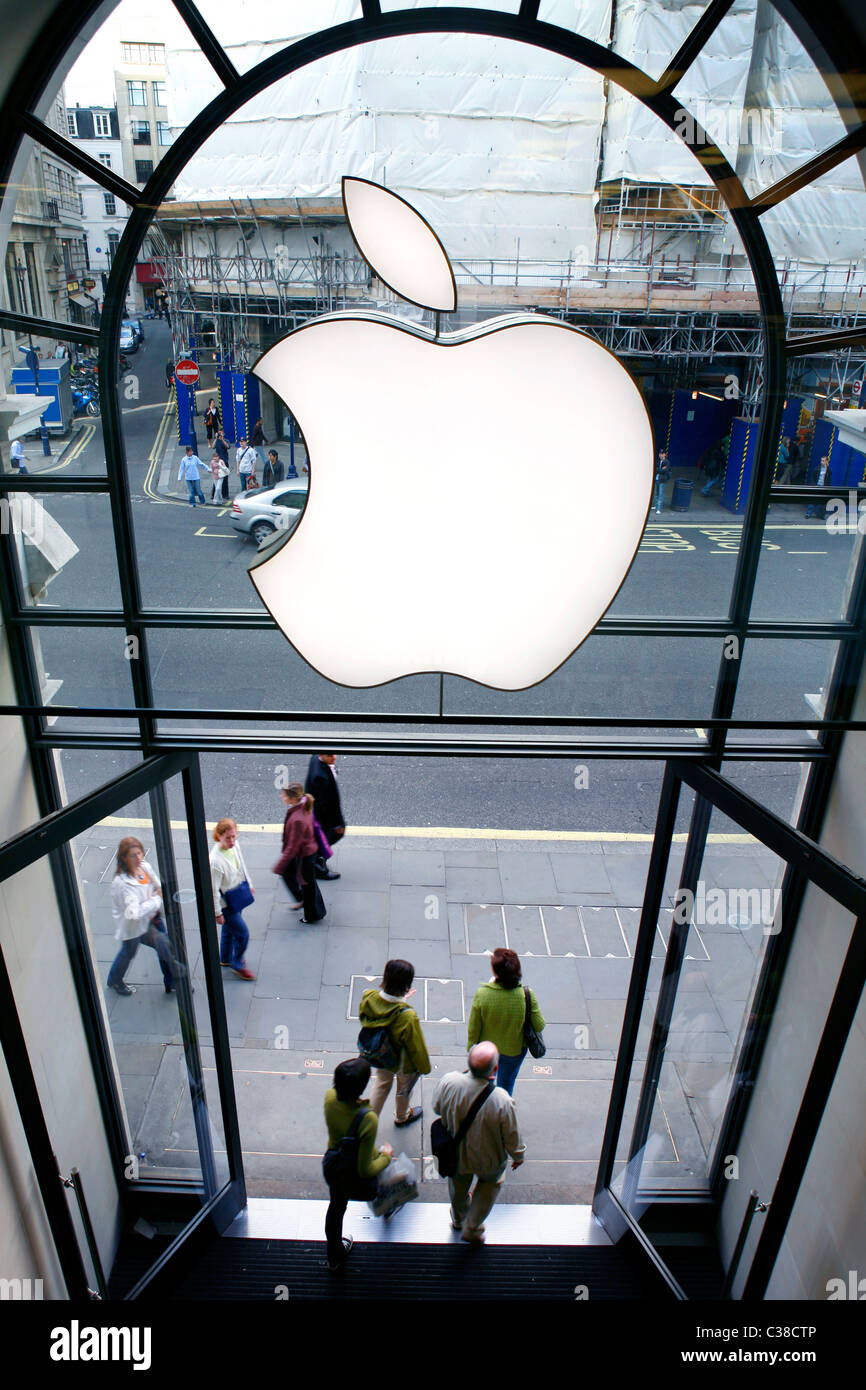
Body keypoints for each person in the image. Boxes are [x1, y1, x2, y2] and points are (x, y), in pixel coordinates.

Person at [432, 1041, 525, 1243]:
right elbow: (512, 1134)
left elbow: (437, 1108)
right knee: (491, 1185)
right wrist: (518, 1155)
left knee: (458, 1189)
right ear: (495, 1069)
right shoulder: (502, 1100)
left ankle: (458, 1218)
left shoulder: (449, 1082)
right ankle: (473, 1227)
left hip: (457, 1156)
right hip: (490, 1160)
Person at [323, 1057, 392, 1271]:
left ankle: (334, 1255)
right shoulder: (367, 1119)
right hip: (354, 1173)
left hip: (335, 1166)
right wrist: (386, 1156)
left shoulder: (329, 1098)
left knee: (336, 1209)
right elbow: (365, 1170)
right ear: (362, 1088)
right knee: (384, 1182)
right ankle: (388, 1204)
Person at [359, 958, 431, 1127]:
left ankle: (367, 1122)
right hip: (402, 1061)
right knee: (403, 1089)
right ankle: (402, 1116)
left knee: (382, 1084)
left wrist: (401, 1000)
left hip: (381, 1053)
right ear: (406, 985)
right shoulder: (407, 1015)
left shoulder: (369, 997)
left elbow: (381, 1010)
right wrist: (424, 1067)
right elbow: (416, 1046)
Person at [467, 947, 545, 1095]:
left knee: (484, 1083)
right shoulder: (526, 995)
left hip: (487, 1050)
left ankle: (485, 1105)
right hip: (514, 1050)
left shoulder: (482, 994)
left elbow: (474, 1028)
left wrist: (471, 1048)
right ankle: (501, 1110)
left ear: (496, 972)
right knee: (506, 1084)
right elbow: (539, 1024)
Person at [107, 837, 177, 996]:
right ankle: (115, 980)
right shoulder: (122, 883)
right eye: (133, 855)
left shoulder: (144, 867)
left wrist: (157, 894)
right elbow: (134, 912)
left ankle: (171, 982)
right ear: (124, 858)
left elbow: (157, 885)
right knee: (129, 952)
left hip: (152, 919)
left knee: (164, 948)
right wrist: (156, 899)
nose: (138, 858)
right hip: (134, 925)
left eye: (139, 853)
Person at [209, 818, 256, 980]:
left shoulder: (235, 846)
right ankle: (237, 963)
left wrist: (248, 883)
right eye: (228, 837)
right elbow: (213, 890)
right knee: (243, 934)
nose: (232, 841)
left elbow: (242, 865)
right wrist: (217, 913)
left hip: (237, 894)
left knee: (229, 929)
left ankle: (226, 958)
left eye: (234, 836)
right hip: (226, 901)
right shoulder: (215, 861)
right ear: (219, 836)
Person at [273, 783, 327, 923]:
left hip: (304, 856)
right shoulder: (303, 805)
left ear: (291, 799)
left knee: (308, 886)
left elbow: (293, 846)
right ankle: (302, 899)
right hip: (306, 852)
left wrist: (280, 864)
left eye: (284, 795)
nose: (281, 796)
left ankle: (312, 915)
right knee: (298, 879)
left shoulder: (297, 818)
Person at [305, 753, 344, 880]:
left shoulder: (315, 758)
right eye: (330, 755)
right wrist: (336, 823)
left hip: (317, 812)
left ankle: (316, 859)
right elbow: (327, 805)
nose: (334, 757)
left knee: (322, 839)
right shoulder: (320, 777)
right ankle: (318, 865)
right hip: (323, 818)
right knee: (329, 837)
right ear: (323, 755)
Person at [654, 449, 671, 514]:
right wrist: (660, 469)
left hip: (662, 480)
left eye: (662, 453)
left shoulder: (667, 462)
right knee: (656, 493)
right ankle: (656, 505)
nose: (660, 455)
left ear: (665, 455)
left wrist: (659, 470)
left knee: (661, 494)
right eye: (660, 453)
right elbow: (655, 469)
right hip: (657, 479)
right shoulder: (658, 462)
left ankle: (659, 509)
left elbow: (665, 471)